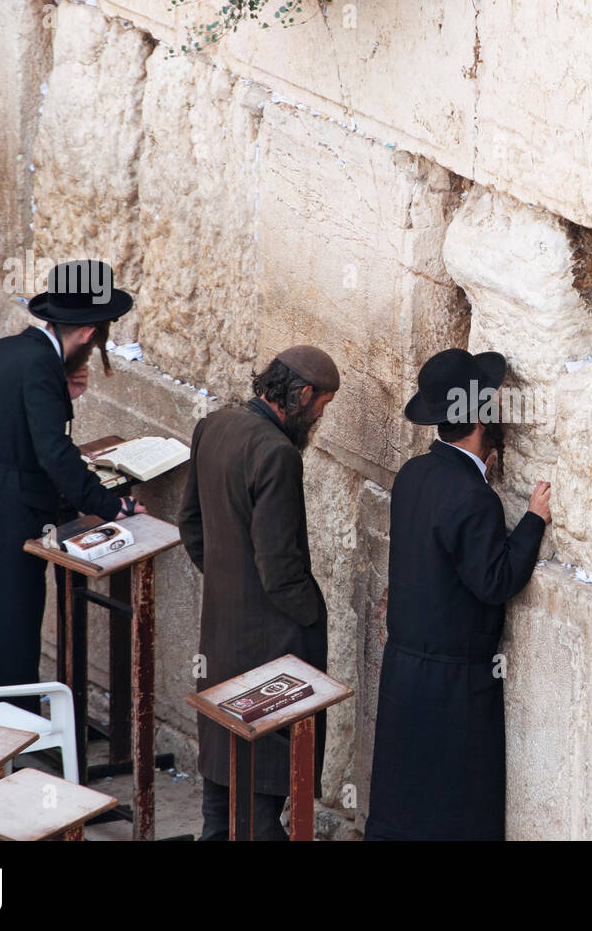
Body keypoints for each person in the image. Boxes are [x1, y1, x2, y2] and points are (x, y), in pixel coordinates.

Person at [365, 348, 552, 841]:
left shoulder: (413, 475)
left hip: (405, 671)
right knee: (456, 809)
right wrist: (533, 519)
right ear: (479, 416)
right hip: (454, 684)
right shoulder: (474, 497)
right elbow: (495, 581)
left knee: (404, 804)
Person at [0, 260, 144, 713]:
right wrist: (110, 505)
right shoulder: (40, 365)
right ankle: (7, 746)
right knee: (8, 636)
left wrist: (62, 393)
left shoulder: (7, 350)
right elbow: (52, 452)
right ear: (90, 333)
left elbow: (17, 428)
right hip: (10, 516)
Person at [177, 345, 340, 841]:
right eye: (321, 407)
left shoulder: (215, 424)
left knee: (219, 791)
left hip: (223, 632)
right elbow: (279, 567)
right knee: (263, 795)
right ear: (303, 394)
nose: (318, 419)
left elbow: (191, 523)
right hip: (271, 643)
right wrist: (313, 614)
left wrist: (229, 582)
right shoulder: (278, 453)